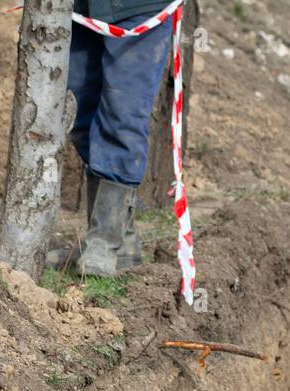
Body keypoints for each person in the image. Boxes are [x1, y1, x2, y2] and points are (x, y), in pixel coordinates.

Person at [48, 1, 177, 277]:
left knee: (124, 111)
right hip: (78, 6)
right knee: (76, 106)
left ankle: (104, 241)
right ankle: (124, 241)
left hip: (141, 7)